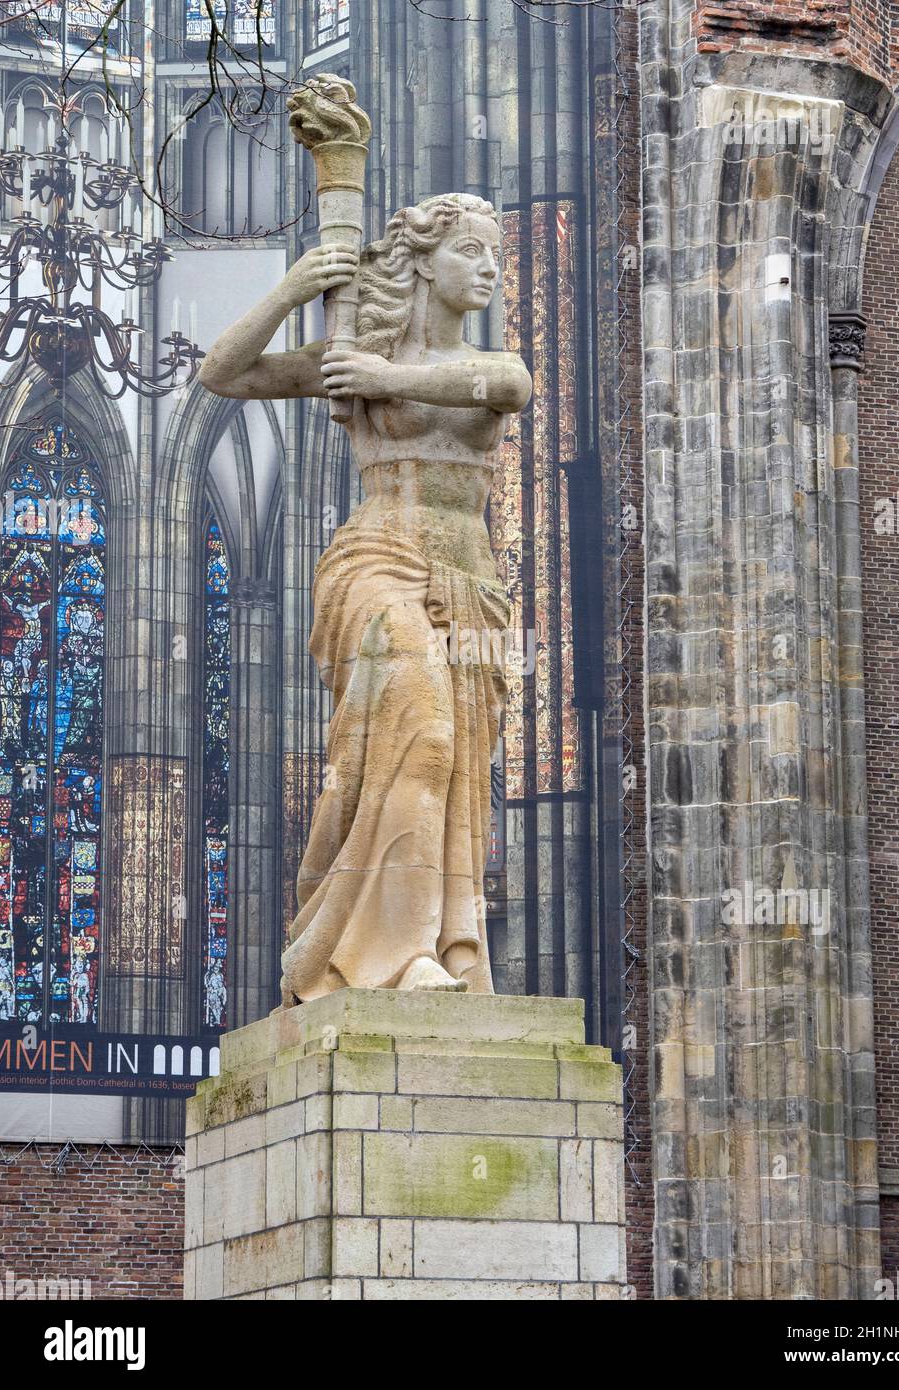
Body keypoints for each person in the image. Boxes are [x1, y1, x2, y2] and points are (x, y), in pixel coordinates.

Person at [199, 192, 532, 1002]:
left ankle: (444, 945)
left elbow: (506, 387)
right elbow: (222, 372)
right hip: (380, 554)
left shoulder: (478, 365)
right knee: (422, 733)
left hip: (473, 576)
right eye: (471, 253)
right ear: (422, 264)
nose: (489, 270)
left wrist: (380, 374)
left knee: (459, 769)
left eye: (494, 256)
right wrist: (292, 290)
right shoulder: (348, 355)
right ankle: (395, 955)